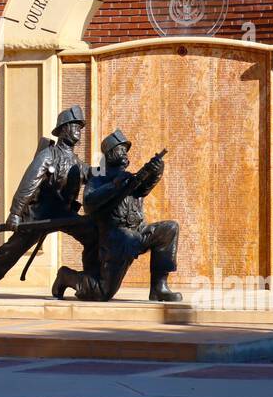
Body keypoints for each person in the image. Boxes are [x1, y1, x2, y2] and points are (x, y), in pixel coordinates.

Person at [0, 105, 95, 297]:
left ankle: (90, 279)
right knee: (14, 247)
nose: (78, 130)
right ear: (62, 129)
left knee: (93, 235)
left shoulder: (77, 162)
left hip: (64, 213)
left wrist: (111, 173)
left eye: (80, 126)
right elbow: (28, 184)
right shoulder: (48, 155)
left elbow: (93, 175)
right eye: (73, 126)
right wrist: (15, 213)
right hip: (41, 213)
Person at [51, 129, 182, 303]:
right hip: (117, 238)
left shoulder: (130, 177)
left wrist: (156, 172)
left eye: (126, 150)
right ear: (110, 154)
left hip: (138, 231)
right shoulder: (99, 177)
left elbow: (143, 189)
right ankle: (66, 277)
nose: (125, 154)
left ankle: (159, 288)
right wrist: (114, 185)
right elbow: (89, 203)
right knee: (102, 292)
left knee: (169, 229)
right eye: (121, 149)